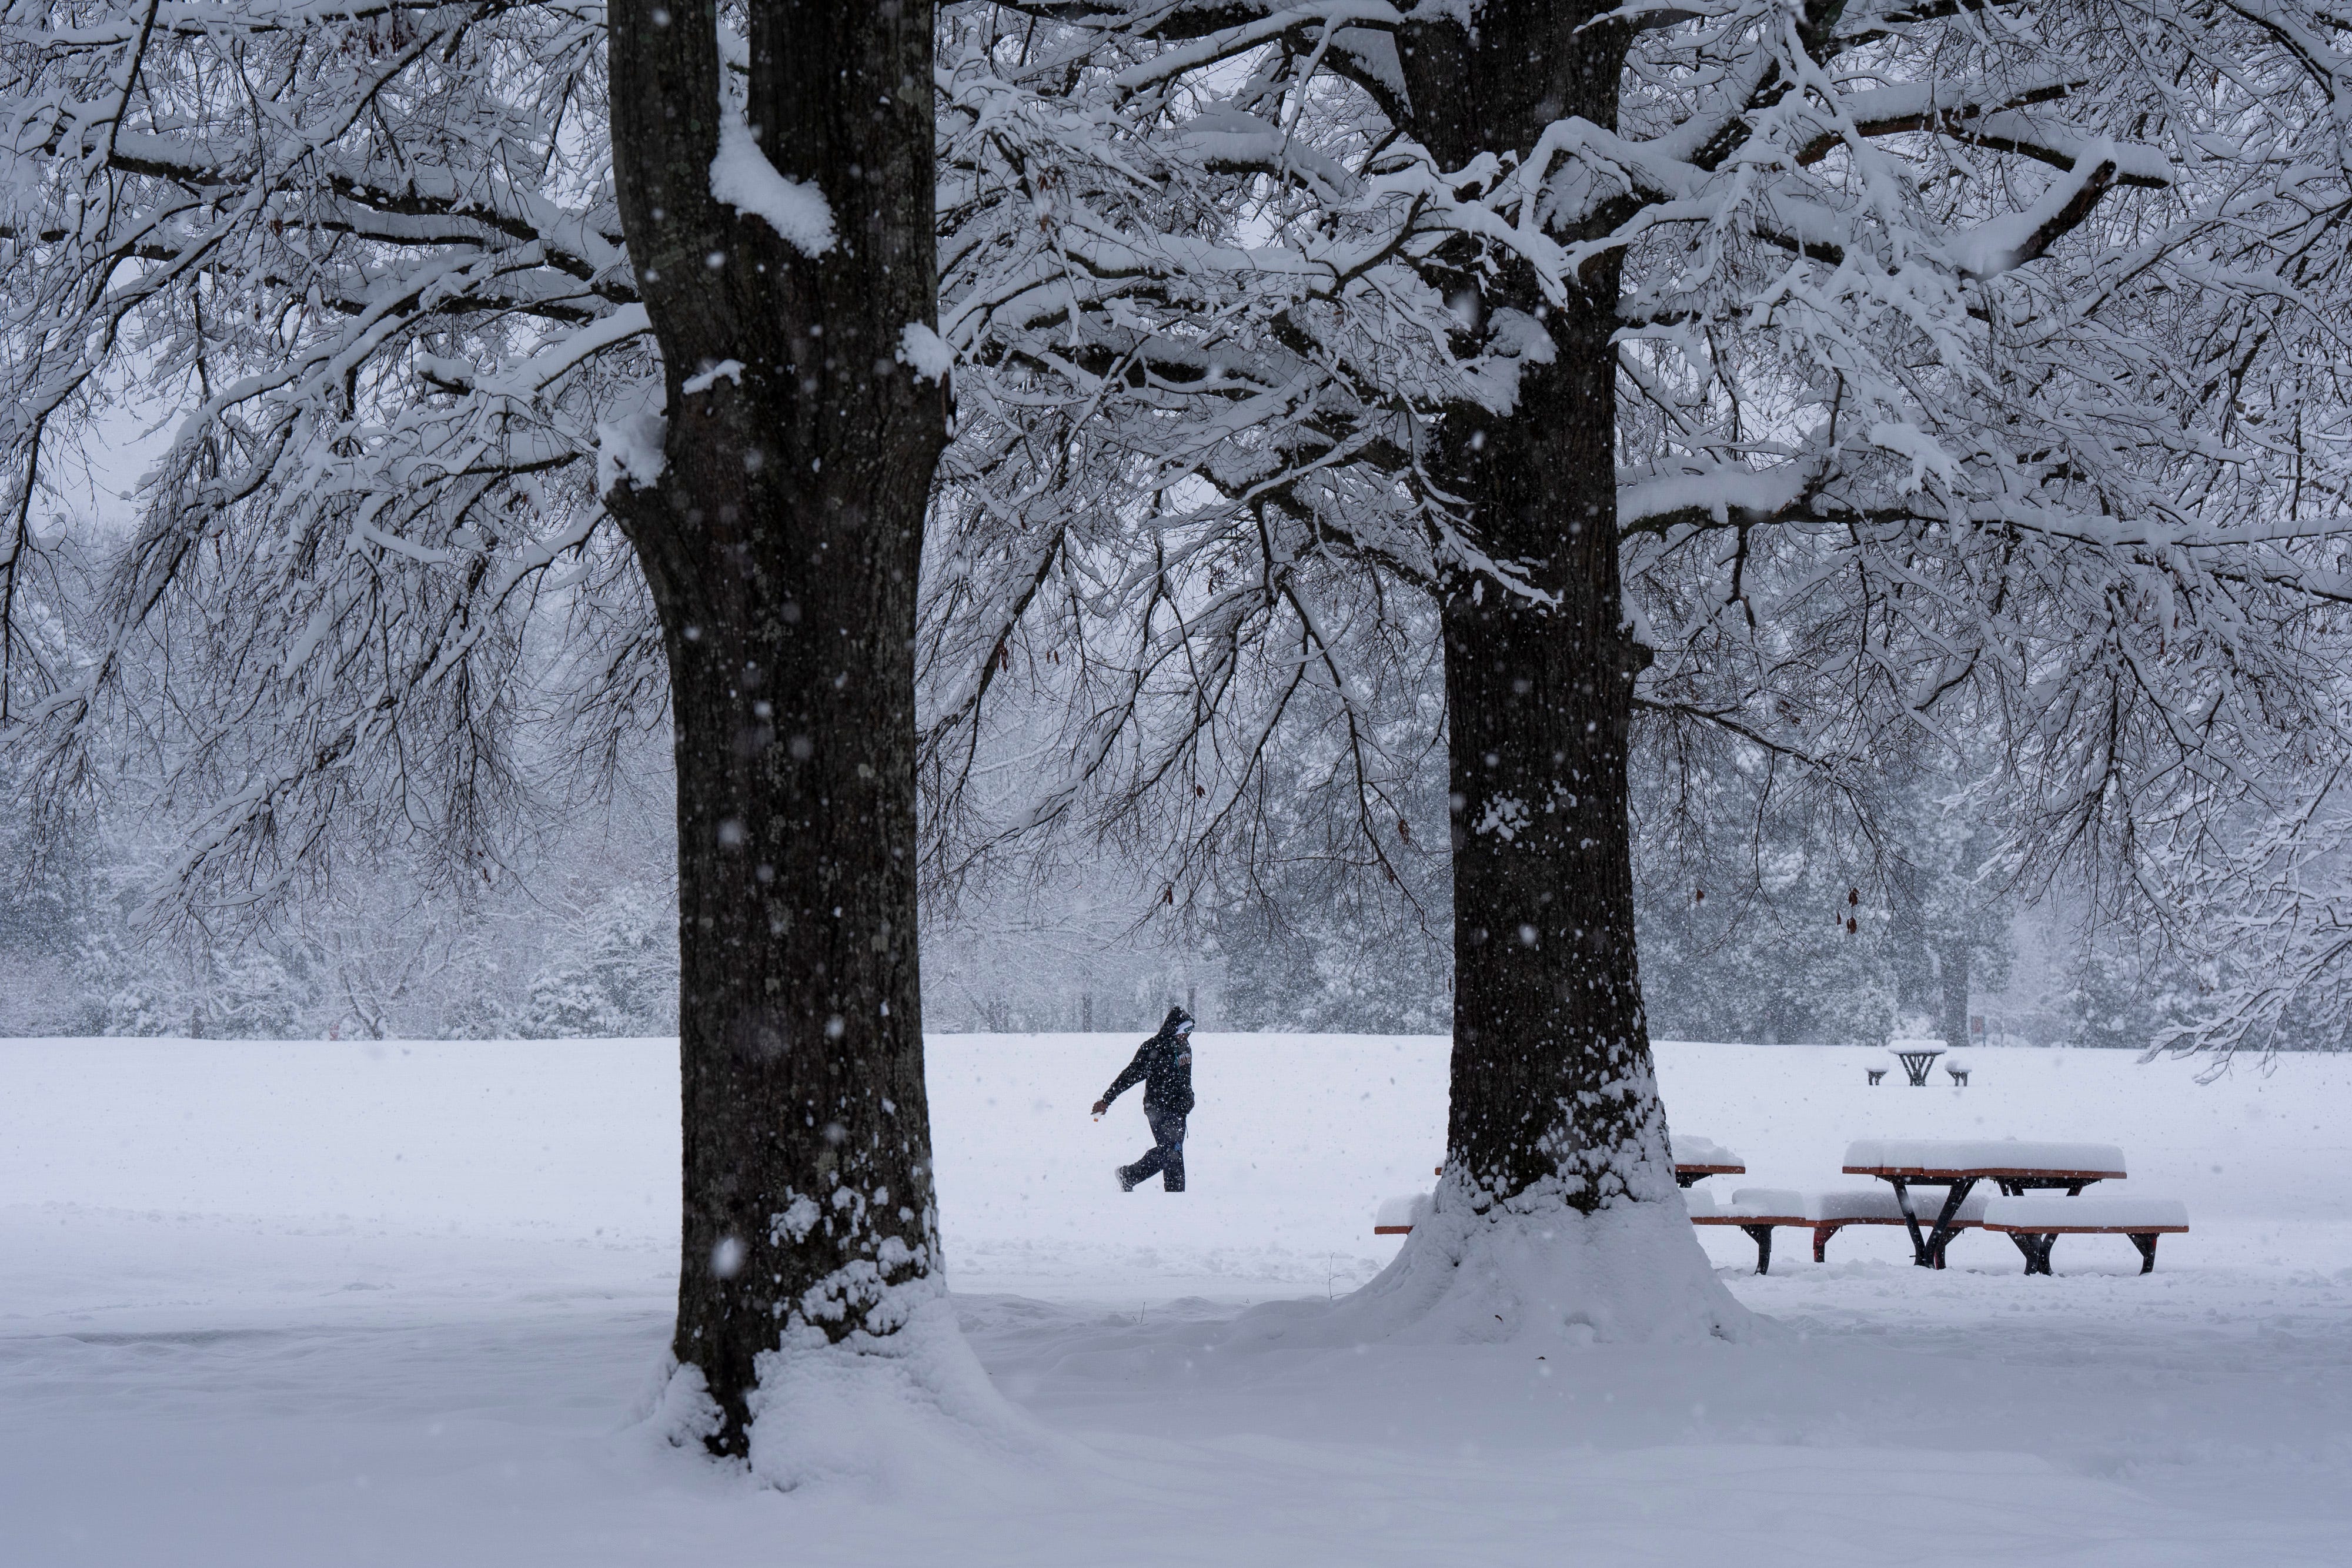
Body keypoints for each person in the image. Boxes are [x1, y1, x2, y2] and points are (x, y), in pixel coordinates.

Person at [1092, 1005, 1194, 1192]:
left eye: (1190, 1031)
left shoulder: (1184, 1047)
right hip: (1157, 1108)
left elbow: (1186, 1078)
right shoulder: (1153, 1048)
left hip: (1179, 1109)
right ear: (1174, 1029)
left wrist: (1189, 1097)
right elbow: (1129, 1076)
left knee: (1175, 1152)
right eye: (1185, 1030)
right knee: (1171, 1150)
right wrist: (1107, 1099)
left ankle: (1174, 1197)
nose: (1187, 1035)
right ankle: (1130, 1175)